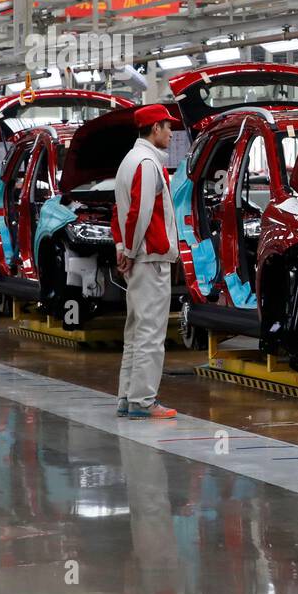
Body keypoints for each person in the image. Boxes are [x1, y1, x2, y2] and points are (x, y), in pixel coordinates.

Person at [112, 104, 182, 419]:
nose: (171, 133)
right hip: (149, 258)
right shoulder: (147, 164)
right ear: (155, 128)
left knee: (137, 330)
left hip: (138, 257)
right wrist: (128, 249)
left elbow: (119, 211)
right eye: (168, 127)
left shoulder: (129, 161)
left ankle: (128, 397)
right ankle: (143, 401)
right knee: (152, 332)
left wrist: (122, 247)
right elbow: (138, 212)